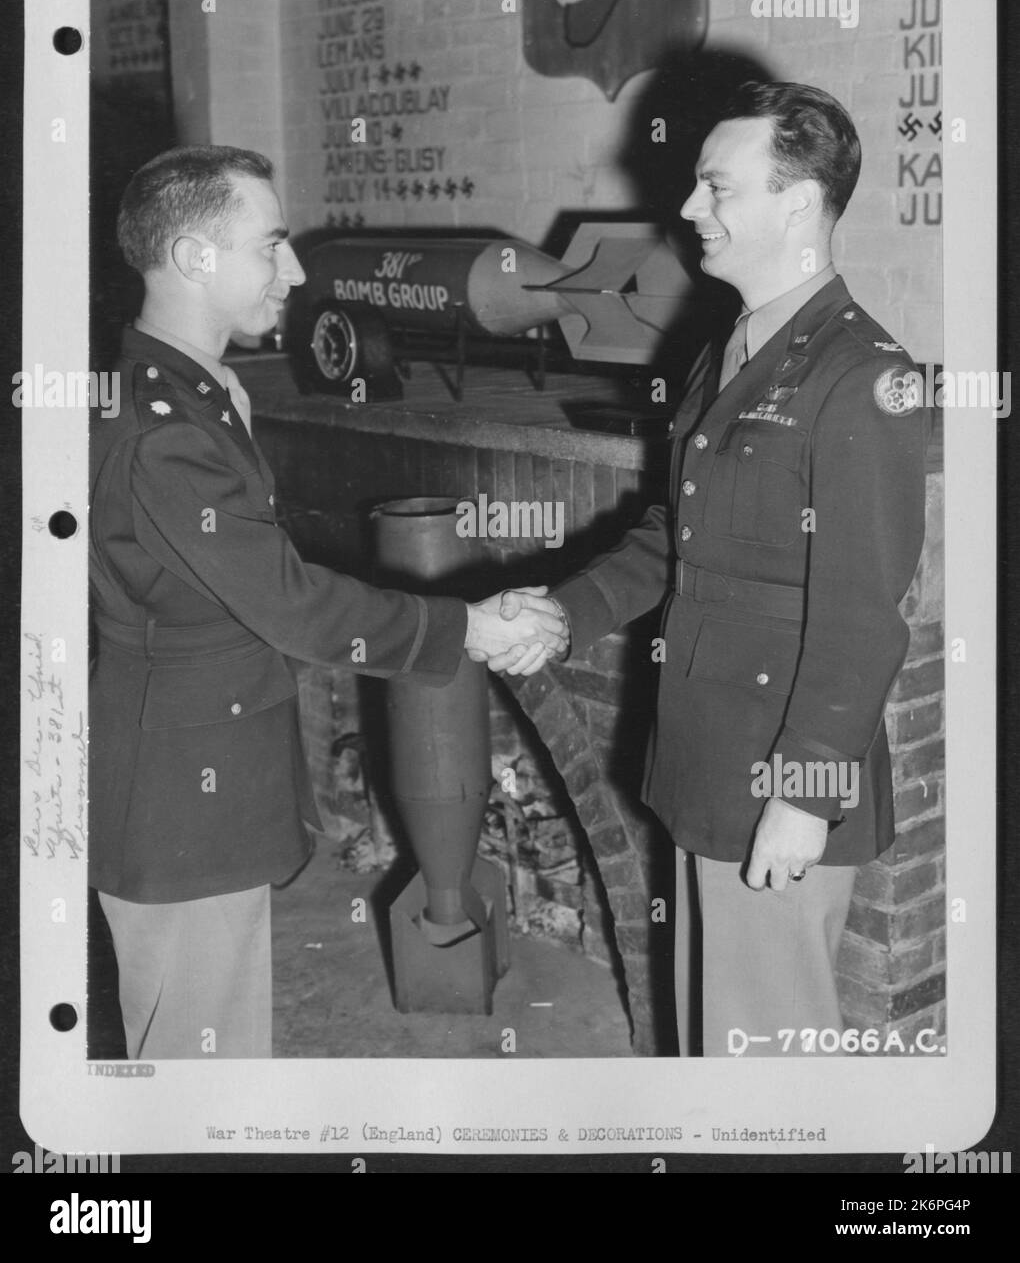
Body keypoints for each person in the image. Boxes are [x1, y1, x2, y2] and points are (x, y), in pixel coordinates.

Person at [89, 144, 564, 1060]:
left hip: (198, 772)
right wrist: (468, 626)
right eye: (272, 245)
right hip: (179, 796)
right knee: (199, 1067)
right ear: (195, 258)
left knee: (213, 1048)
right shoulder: (167, 431)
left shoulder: (190, 391)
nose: (296, 269)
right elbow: (293, 605)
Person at [527, 82, 929, 1056]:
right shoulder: (734, 346)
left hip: (779, 775)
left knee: (771, 1056)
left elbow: (865, 612)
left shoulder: (860, 373)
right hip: (710, 759)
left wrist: (801, 793)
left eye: (717, 189)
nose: (689, 209)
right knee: (720, 1037)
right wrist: (563, 610)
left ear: (797, 203)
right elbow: (680, 534)